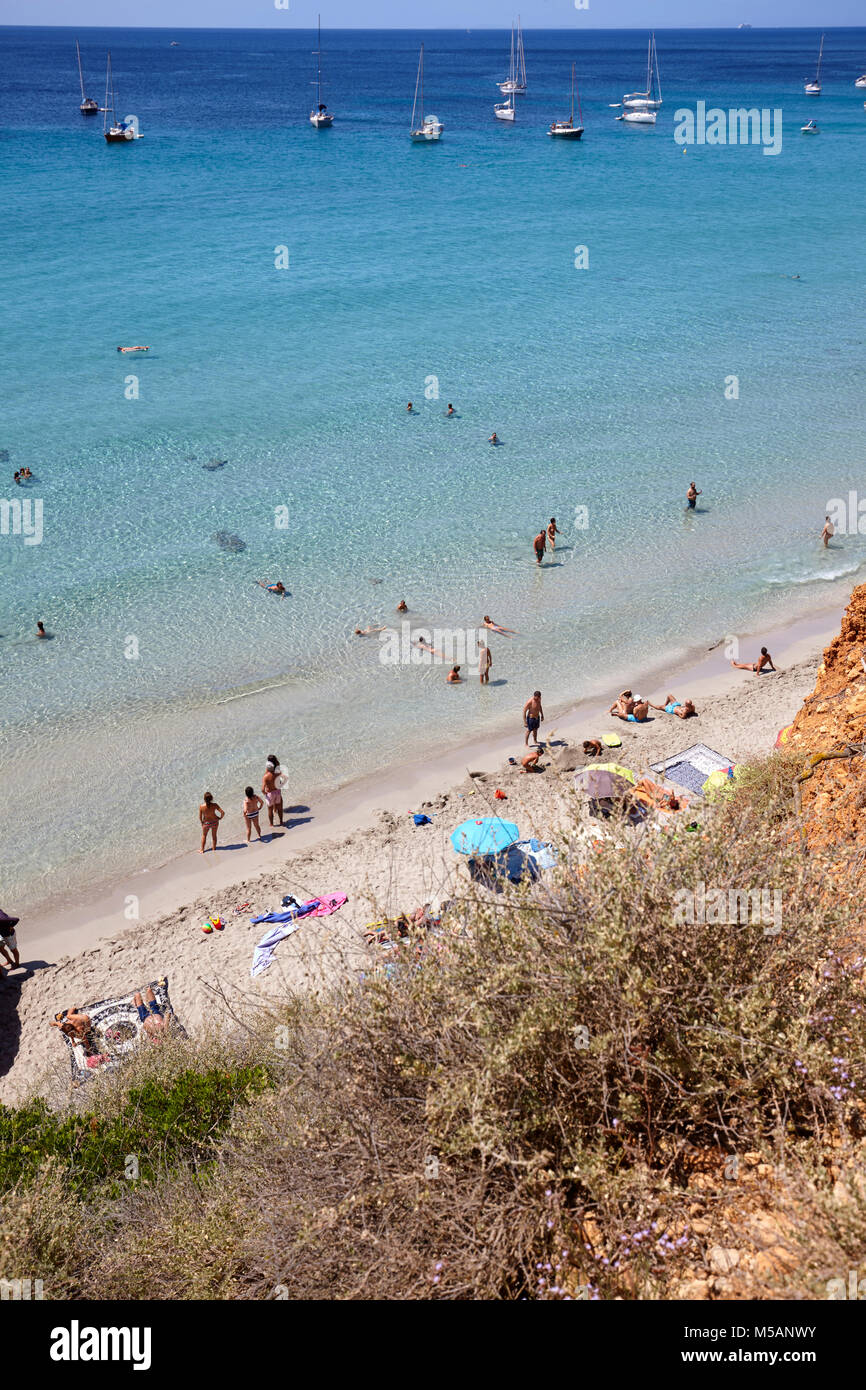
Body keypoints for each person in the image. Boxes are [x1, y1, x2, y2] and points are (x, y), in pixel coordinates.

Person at [262, 756, 284, 827]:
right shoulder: (278, 772)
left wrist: (265, 793)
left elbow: (262, 789)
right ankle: (281, 821)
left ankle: (271, 824)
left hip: (270, 793)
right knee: (280, 808)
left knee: (270, 809)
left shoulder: (265, 776)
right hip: (277, 791)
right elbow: (281, 780)